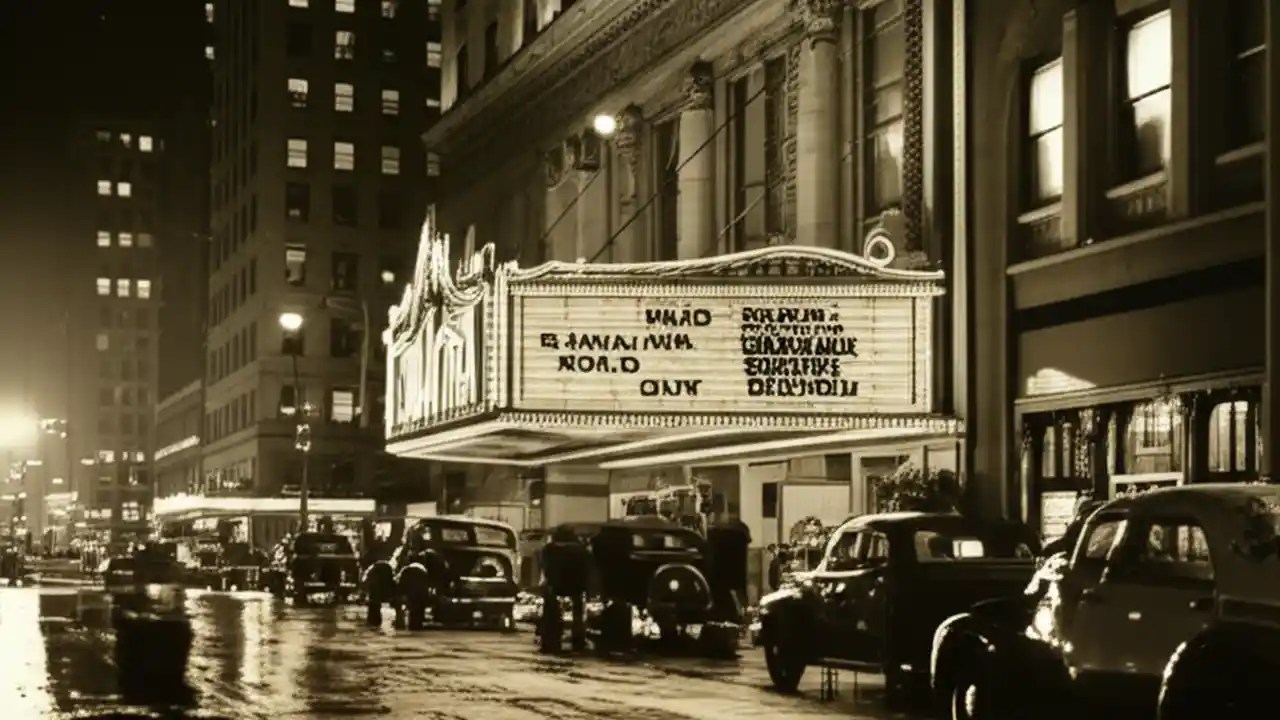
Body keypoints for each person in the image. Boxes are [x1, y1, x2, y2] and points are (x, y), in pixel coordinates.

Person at [539, 525, 589, 653]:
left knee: (550, 610)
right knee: (578, 610)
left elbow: (545, 566)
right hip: (576, 585)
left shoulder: (549, 549)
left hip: (555, 585)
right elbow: (586, 568)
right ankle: (578, 637)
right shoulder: (580, 550)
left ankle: (550, 636)